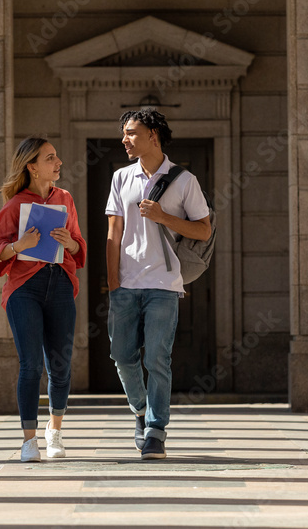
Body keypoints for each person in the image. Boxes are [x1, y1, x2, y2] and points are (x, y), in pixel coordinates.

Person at [105, 110, 212, 460]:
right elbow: (113, 233)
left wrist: (164, 216)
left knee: (157, 358)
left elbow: (204, 230)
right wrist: (112, 281)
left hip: (164, 284)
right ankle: (140, 409)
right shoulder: (121, 177)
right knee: (122, 356)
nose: (125, 140)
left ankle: (155, 431)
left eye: (131, 133)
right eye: (124, 134)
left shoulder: (184, 181)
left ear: (153, 135)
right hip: (126, 282)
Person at [0, 137, 86, 463]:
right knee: (31, 365)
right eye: (50, 158)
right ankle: (29, 441)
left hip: (58, 285)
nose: (58, 163)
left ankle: (54, 432)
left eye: (57, 157)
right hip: (23, 289)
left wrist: (70, 243)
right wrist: (20, 245)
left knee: (61, 366)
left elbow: (79, 249)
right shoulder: (15, 206)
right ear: (32, 166)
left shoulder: (65, 199)